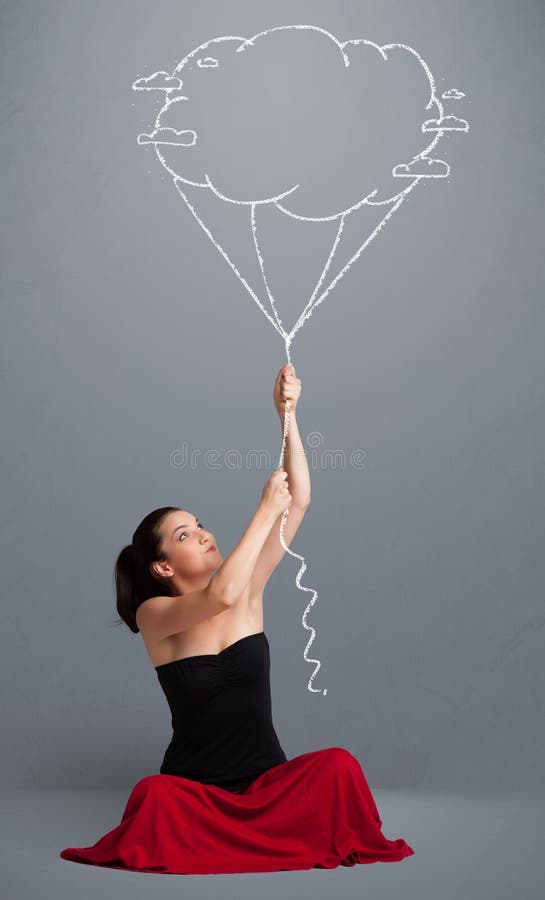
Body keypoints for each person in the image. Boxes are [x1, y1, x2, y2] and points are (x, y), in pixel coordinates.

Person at [59, 365, 415, 874]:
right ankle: (249, 844)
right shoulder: (156, 614)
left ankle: (246, 841)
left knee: (339, 766)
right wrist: (263, 510)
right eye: (184, 535)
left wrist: (287, 415)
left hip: (268, 789)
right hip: (196, 796)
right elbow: (221, 594)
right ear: (163, 567)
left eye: (199, 524)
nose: (202, 533)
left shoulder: (247, 589)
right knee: (153, 797)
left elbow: (302, 499)